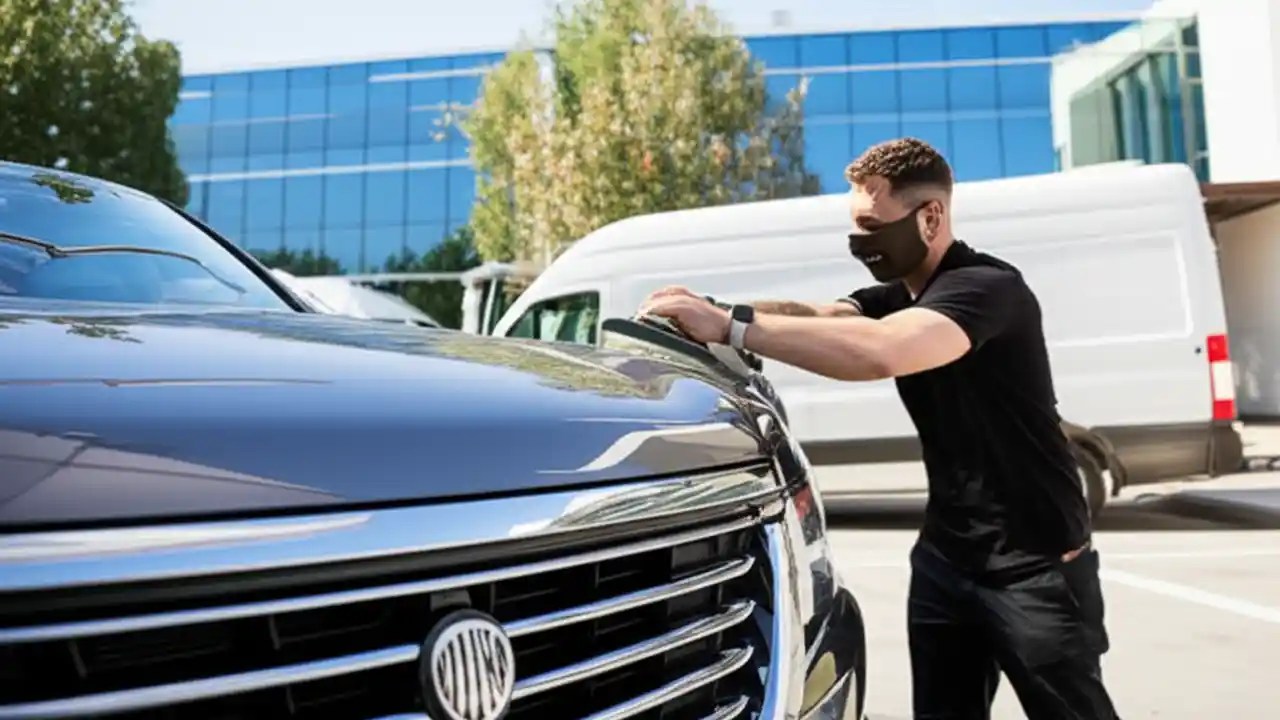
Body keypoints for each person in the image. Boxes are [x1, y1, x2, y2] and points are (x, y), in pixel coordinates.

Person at [638, 137, 1120, 719]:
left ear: (931, 216)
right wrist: (714, 310)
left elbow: (883, 351)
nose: (860, 242)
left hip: (1036, 567)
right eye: (854, 227)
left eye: (871, 224)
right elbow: (824, 316)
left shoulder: (988, 290)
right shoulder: (898, 295)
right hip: (948, 561)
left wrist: (731, 327)